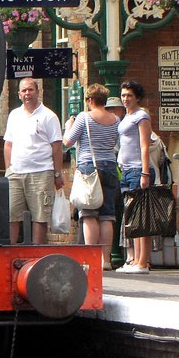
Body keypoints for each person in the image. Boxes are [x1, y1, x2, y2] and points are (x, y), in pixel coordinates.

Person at [63, 83, 120, 270]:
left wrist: (68, 126)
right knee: (107, 215)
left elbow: (68, 141)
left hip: (89, 167)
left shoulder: (84, 118)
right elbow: (115, 143)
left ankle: (90, 258)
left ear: (89, 100)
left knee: (88, 214)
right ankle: (105, 260)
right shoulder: (115, 119)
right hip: (110, 167)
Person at [3, 77, 64, 244]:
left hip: (41, 172)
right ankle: (11, 250)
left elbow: (57, 147)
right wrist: (9, 168)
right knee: (12, 215)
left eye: (30, 90)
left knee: (40, 216)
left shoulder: (49, 116)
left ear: (38, 92)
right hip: (16, 174)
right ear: (19, 94)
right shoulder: (14, 115)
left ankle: (36, 251)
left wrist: (57, 173)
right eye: (24, 90)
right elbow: (8, 144)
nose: (27, 94)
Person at [117, 81, 153, 273]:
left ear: (137, 97)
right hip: (127, 171)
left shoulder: (141, 116)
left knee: (140, 218)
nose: (125, 98)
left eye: (129, 95)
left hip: (138, 169)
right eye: (123, 95)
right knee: (132, 217)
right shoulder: (126, 117)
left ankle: (142, 262)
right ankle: (135, 261)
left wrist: (145, 172)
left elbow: (145, 145)